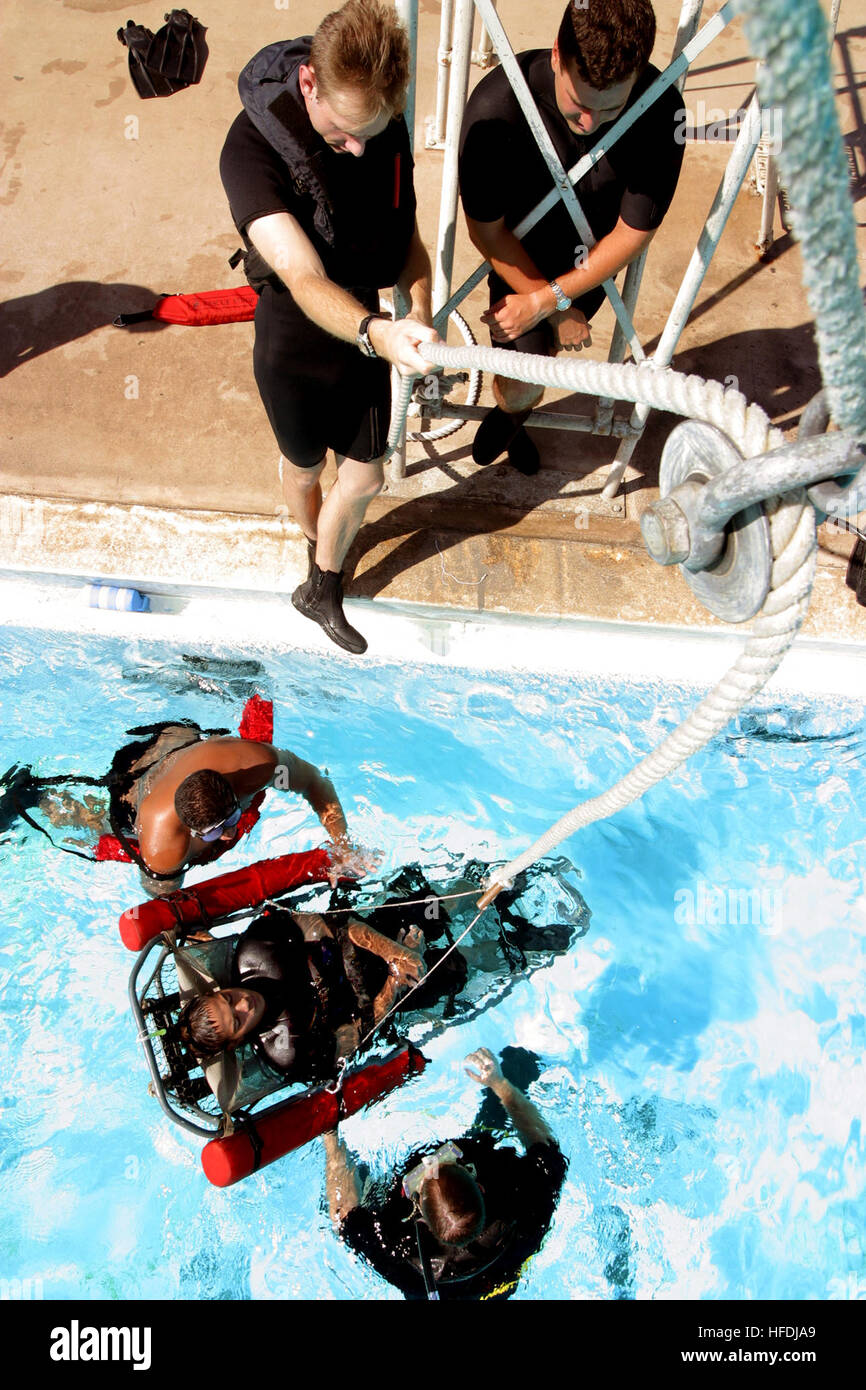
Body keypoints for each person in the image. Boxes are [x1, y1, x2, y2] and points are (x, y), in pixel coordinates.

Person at [220, 0, 441, 655]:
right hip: (294, 346)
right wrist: (381, 332)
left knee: (368, 477)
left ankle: (322, 582)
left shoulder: (380, 124)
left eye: (371, 134)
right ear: (309, 82)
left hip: (370, 334)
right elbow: (306, 280)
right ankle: (317, 547)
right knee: (303, 469)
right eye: (344, 135)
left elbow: (409, 240)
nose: (357, 150)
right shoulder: (249, 149)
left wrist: (420, 313)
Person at [458, 0, 685, 474]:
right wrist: (550, 304)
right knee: (521, 380)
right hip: (515, 258)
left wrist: (555, 302)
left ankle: (513, 416)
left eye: (611, 108)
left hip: (593, 265)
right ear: (559, 55)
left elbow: (632, 232)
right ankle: (513, 411)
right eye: (579, 105)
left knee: (542, 359)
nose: (590, 123)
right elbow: (486, 230)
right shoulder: (497, 106)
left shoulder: (661, 108)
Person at [323, 1045, 567, 1300]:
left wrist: (330, 1133)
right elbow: (544, 1145)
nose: (431, 1162)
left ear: (421, 1218)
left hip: (469, 1286)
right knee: (487, 1141)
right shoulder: (526, 1213)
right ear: (479, 1186)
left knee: (369, 1195)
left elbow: (343, 1216)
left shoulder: (400, 1257)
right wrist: (500, 1084)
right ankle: (519, 1066)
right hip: (495, 1281)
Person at [110, 723, 366, 898]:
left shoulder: (258, 767)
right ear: (189, 830)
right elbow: (164, 897)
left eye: (233, 818)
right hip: (133, 785)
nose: (229, 834)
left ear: (234, 791)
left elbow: (314, 781)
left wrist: (342, 844)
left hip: (177, 740)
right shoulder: (163, 848)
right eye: (214, 833)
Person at [178, 906, 426, 1081]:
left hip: (371, 936)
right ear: (236, 1042)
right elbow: (360, 1030)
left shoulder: (256, 948)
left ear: (219, 990)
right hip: (387, 997)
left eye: (228, 999)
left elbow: (336, 926)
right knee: (453, 970)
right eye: (237, 1020)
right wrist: (395, 984)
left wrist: (397, 953)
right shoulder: (288, 1052)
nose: (245, 1003)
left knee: (430, 909)